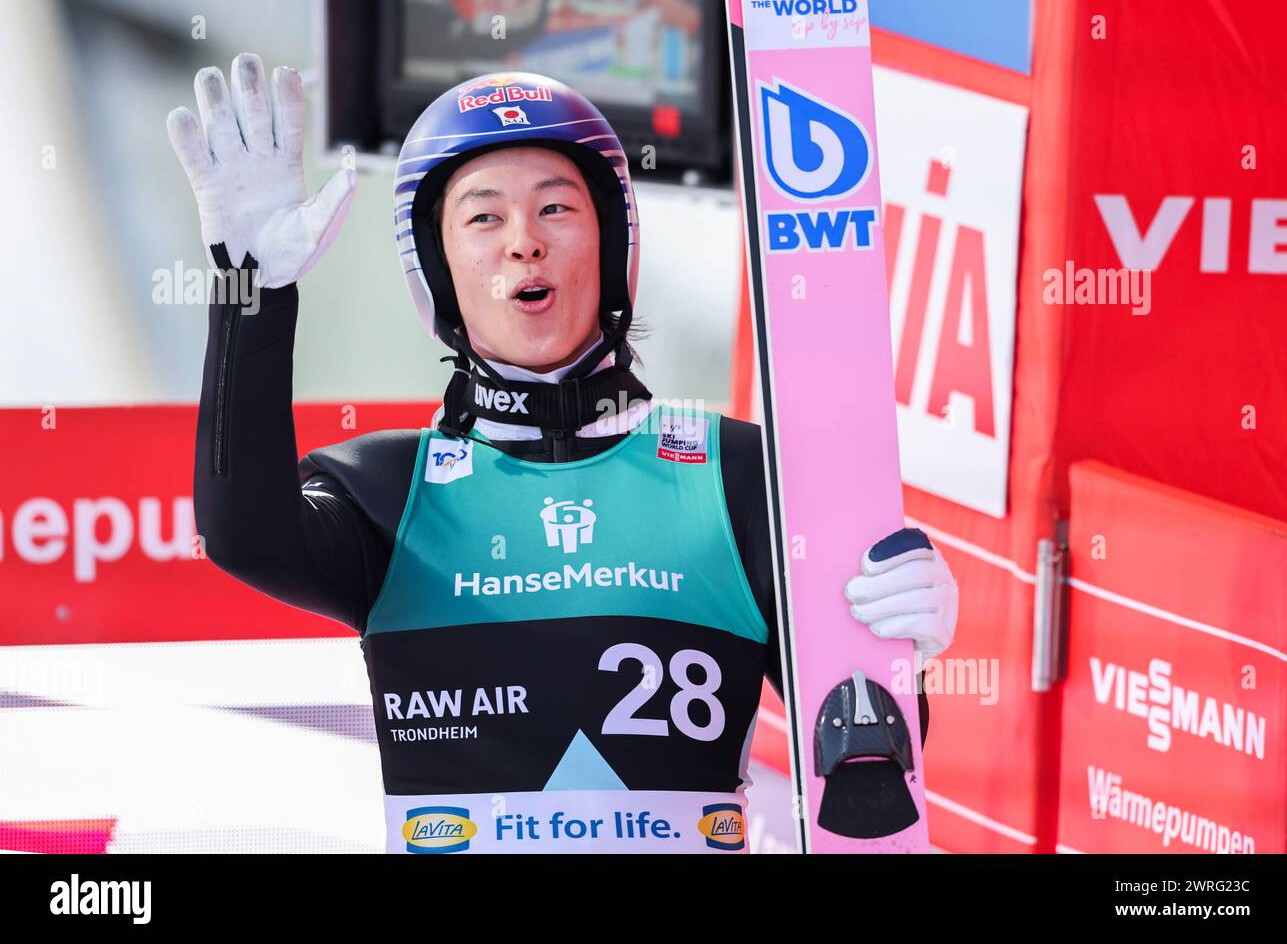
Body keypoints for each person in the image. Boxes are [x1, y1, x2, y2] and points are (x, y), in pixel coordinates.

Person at [167, 55, 958, 854]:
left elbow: (869, 784)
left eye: (556, 208)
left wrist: (894, 654)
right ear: (437, 268)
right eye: (483, 218)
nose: (524, 244)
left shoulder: (740, 475)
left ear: (612, 242)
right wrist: (252, 293)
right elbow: (241, 533)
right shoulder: (385, 489)